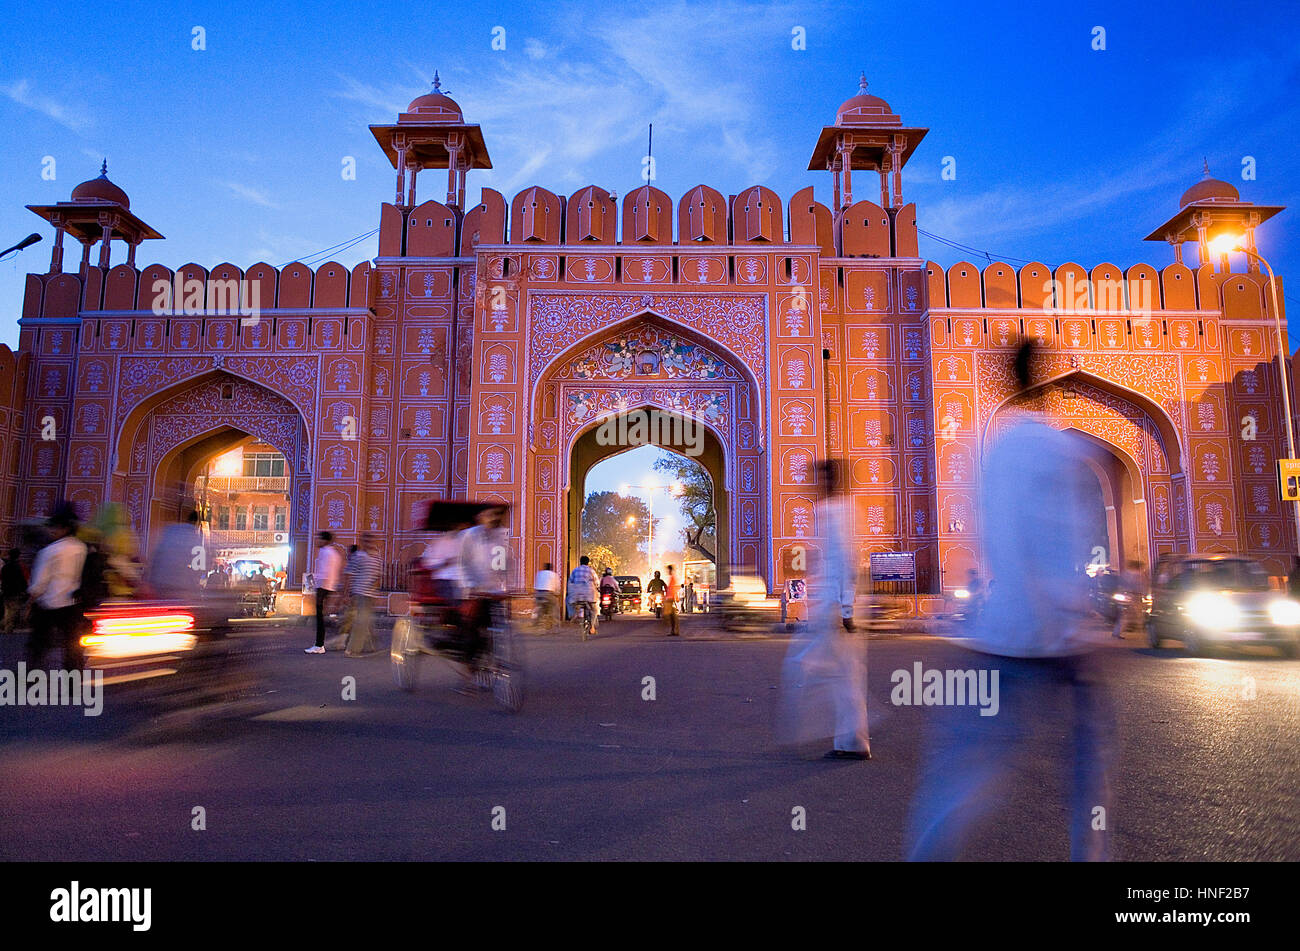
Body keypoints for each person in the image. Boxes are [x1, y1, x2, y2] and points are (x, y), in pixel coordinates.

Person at [905, 340, 1114, 861]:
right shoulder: (1057, 448)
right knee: (1089, 762)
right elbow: (1062, 540)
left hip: (998, 633)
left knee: (966, 772)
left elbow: (999, 537)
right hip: (1054, 641)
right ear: (1044, 379)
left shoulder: (991, 448)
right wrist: (1073, 619)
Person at [778, 459, 869, 759]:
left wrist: (846, 609)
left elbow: (846, 558)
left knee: (821, 667)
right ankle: (851, 741)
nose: (812, 483)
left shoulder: (835, 511)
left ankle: (851, 740)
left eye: (818, 477)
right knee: (841, 672)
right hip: (832, 605)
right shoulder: (835, 509)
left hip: (835, 609)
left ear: (828, 480)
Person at [26, 505, 89, 668]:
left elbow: (39, 583)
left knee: (39, 645)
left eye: (54, 527)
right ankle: (73, 680)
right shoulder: (81, 548)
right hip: (71, 604)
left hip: (48, 605)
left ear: (64, 528)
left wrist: (28, 603)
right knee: (71, 646)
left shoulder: (50, 551)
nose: (51, 530)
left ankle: (32, 676)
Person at [456, 506, 509, 686]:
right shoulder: (470, 536)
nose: (493, 518)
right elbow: (463, 563)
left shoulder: (499, 537)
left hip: (492, 591)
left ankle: (492, 662)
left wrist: (508, 587)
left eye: (496, 515)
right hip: (472, 591)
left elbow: (504, 564)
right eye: (489, 515)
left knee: (496, 629)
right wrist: (471, 587)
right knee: (473, 631)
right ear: (481, 517)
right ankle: (470, 668)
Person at [146, 510, 203, 600]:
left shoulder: (170, 531)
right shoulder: (195, 538)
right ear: (196, 522)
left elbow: (156, 555)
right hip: (180, 587)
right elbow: (199, 567)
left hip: (159, 582)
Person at [306, 531, 343, 654]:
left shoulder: (325, 552)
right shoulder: (335, 553)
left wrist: (319, 590)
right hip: (328, 587)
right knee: (321, 617)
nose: (317, 541)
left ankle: (319, 645)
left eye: (319, 539)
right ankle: (319, 644)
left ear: (324, 540)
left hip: (323, 587)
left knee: (320, 618)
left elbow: (324, 572)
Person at [345, 535, 380, 656]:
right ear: (362, 542)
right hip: (360, 592)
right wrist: (346, 594)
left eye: (370, 540)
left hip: (370, 594)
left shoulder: (376, 557)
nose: (369, 543)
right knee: (361, 621)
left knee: (366, 620)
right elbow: (349, 575)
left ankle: (369, 645)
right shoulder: (358, 556)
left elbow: (377, 576)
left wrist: (374, 589)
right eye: (366, 541)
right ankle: (352, 649)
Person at [567, 555, 600, 633]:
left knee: (568, 601)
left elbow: (570, 581)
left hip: (576, 595)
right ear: (588, 563)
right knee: (594, 610)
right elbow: (597, 583)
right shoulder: (591, 571)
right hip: (589, 594)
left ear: (580, 562)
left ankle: (573, 614)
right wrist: (597, 588)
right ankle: (592, 627)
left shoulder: (575, 570)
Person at [1112, 560, 1144, 640]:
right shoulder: (1134, 574)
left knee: (1123, 615)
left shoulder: (1126, 573)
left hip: (1125, 596)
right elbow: (1136, 586)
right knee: (1125, 615)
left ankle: (1117, 631)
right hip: (1128, 597)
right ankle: (1119, 631)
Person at [1, 548, 28, 636]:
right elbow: (22, 580)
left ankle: (5, 625)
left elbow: (3, 578)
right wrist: (24, 589)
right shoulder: (19, 567)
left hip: (6, 591)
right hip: (15, 592)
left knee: (7, 609)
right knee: (13, 611)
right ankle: (8, 628)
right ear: (18, 556)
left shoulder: (5, 566)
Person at [534, 561, 560, 631]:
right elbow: (557, 587)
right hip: (548, 594)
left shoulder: (539, 573)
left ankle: (536, 622)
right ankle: (555, 625)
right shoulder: (554, 575)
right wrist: (557, 593)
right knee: (555, 608)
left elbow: (535, 585)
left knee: (539, 606)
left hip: (538, 594)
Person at [663, 564, 680, 636]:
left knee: (669, 615)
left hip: (670, 599)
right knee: (671, 616)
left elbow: (673, 589)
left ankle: (674, 630)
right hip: (669, 599)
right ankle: (674, 630)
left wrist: (672, 598)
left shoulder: (672, 579)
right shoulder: (672, 578)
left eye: (668, 570)